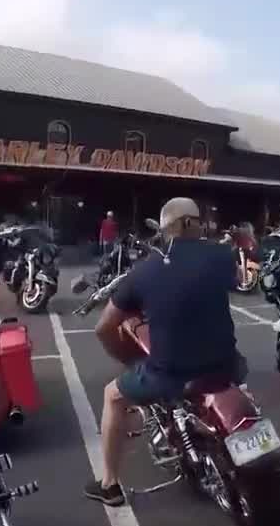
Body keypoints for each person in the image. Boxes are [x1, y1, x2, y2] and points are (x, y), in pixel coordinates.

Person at [85, 197, 246, 506]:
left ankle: (110, 485)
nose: (203, 227)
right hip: (227, 365)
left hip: (172, 374)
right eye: (199, 222)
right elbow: (233, 282)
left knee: (112, 395)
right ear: (187, 223)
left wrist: (126, 359)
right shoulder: (221, 256)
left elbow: (103, 328)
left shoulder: (144, 273)